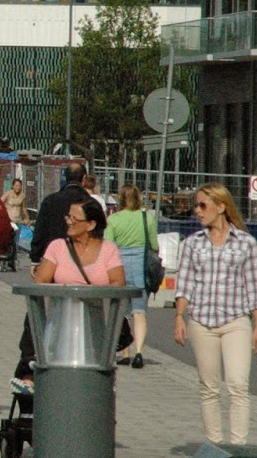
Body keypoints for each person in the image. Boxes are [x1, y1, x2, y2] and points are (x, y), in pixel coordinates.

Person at [174, 184, 257, 445]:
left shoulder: (245, 243)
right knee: (209, 387)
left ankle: (238, 447)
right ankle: (215, 446)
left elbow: (254, 287)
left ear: (221, 206)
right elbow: (185, 284)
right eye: (197, 205)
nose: (198, 211)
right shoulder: (193, 243)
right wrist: (179, 317)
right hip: (202, 322)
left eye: (203, 205)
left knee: (238, 385)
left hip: (235, 320)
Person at [13, 165, 93, 387]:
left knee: (41, 314)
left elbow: (39, 232)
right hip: (83, 271)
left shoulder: (51, 201)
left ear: (65, 178)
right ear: (84, 178)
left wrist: (35, 259)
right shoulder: (91, 204)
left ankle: (30, 370)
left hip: (51, 268)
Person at [106, 184, 159, 368]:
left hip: (119, 268)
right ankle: (139, 352)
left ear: (120, 199)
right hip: (140, 268)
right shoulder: (146, 217)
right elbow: (154, 245)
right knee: (139, 312)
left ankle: (125, 352)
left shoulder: (113, 219)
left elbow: (108, 245)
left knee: (122, 312)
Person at [33, 195, 125, 287]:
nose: (68, 222)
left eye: (75, 219)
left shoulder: (109, 249)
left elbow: (118, 283)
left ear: (91, 225)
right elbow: (41, 281)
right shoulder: (57, 247)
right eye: (69, 217)